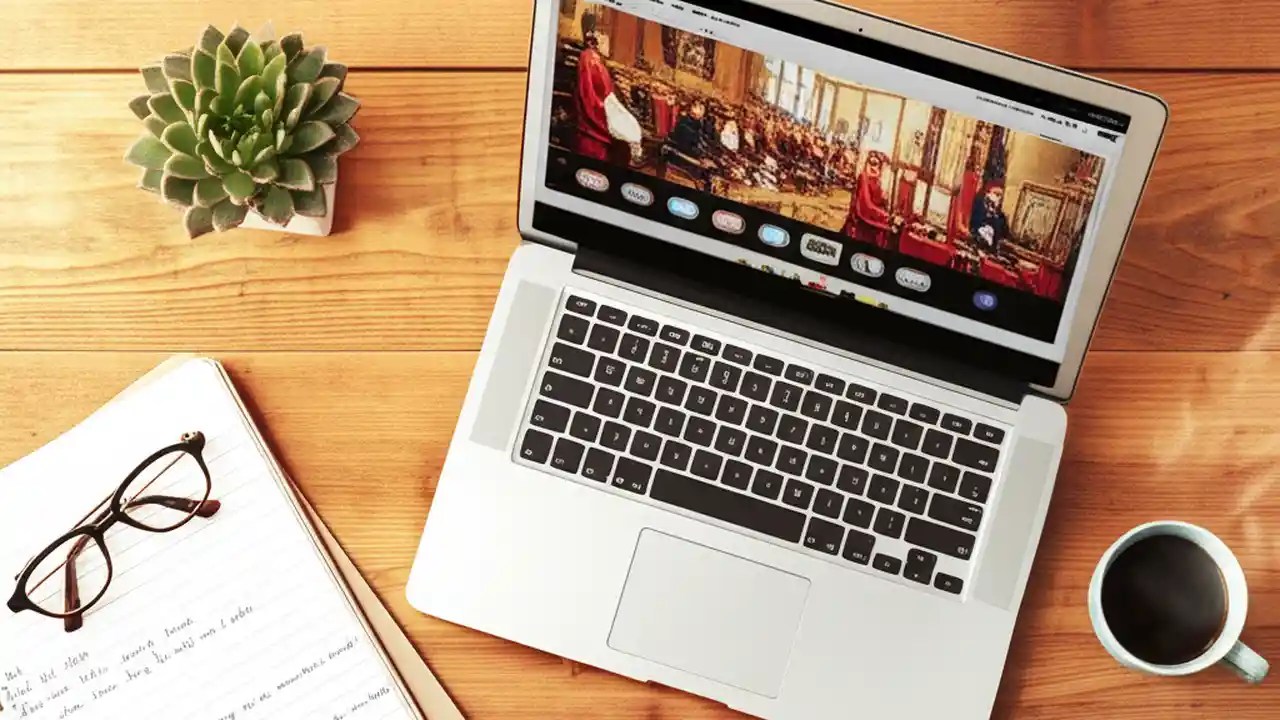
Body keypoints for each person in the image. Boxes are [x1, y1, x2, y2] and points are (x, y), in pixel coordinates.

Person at [573, 32, 617, 162]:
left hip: (596, 127)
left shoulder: (596, 60)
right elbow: (590, 92)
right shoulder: (590, 59)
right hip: (591, 131)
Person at [841, 151, 893, 248]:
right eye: (871, 163)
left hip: (870, 222)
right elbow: (866, 205)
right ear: (866, 163)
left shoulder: (877, 182)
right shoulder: (863, 177)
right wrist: (885, 216)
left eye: (878, 165)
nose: (874, 168)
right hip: (859, 224)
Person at [970, 182, 1010, 254]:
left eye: (1000, 196)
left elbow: (1004, 236)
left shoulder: (1001, 217)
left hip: (989, 252)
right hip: (974, 246)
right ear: (988, 193)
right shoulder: (977, 206)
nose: (998, 198)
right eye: (996, 194)